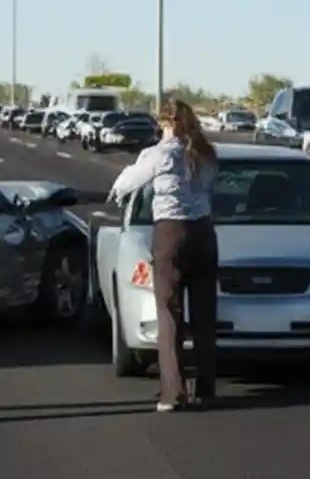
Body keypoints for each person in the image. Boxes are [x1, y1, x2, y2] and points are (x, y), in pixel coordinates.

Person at [108, 99, 220, 412]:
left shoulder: (159, 153)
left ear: (165, 123)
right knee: (204, 315)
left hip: (171, 233)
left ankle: (174, 393)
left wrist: (114, 193)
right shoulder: (208, 155)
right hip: (204, 233)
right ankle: (207, 389)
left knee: (169, 313)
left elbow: (126, 184)